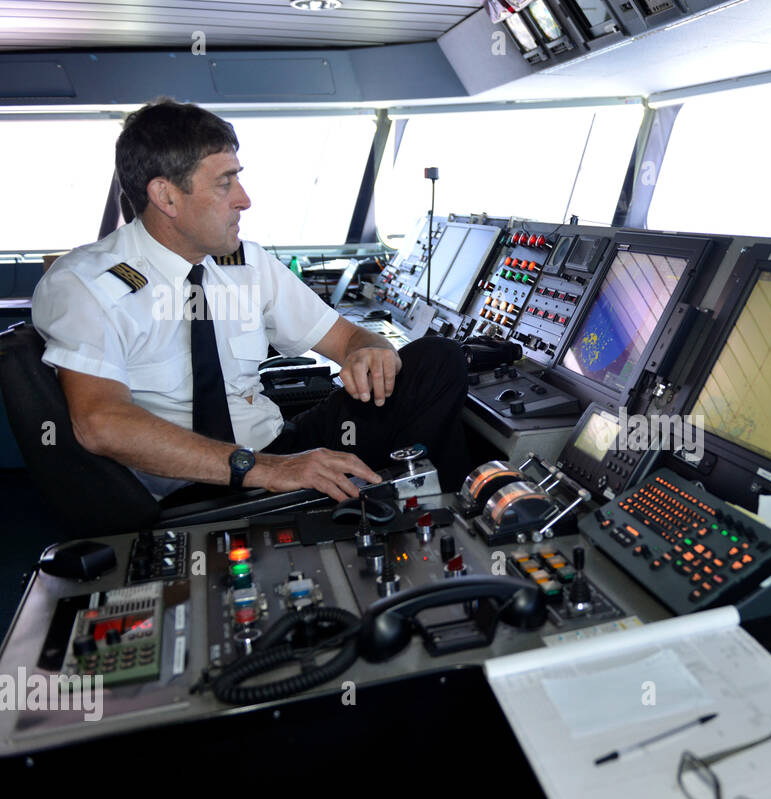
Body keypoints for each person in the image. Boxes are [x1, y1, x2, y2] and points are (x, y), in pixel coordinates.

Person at [31, 97, 468, 503]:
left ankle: (433, 512)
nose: (245, 199)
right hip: (193, 482)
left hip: (276, 448)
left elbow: (349, 338)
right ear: (165, 197)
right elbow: (100, 424)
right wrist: (266, 469)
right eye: (225, 184)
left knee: (436, 360)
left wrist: (368, 353)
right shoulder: (83, 283)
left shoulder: (245, 263)